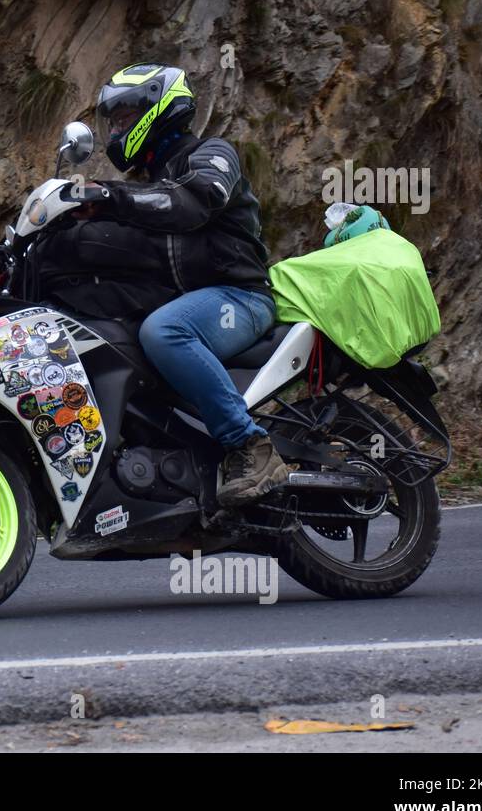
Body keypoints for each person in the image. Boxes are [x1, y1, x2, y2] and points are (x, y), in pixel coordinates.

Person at [30, 63, 288, 507]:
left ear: (159, 106)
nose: (117, 128)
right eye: (114, 120)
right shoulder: (148, 187)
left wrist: (108, 197)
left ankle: (250, 446)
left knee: (163, 331)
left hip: (241, 297)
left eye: (126, 116)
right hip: (191, 300)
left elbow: (191, 201)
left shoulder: (212, 155)